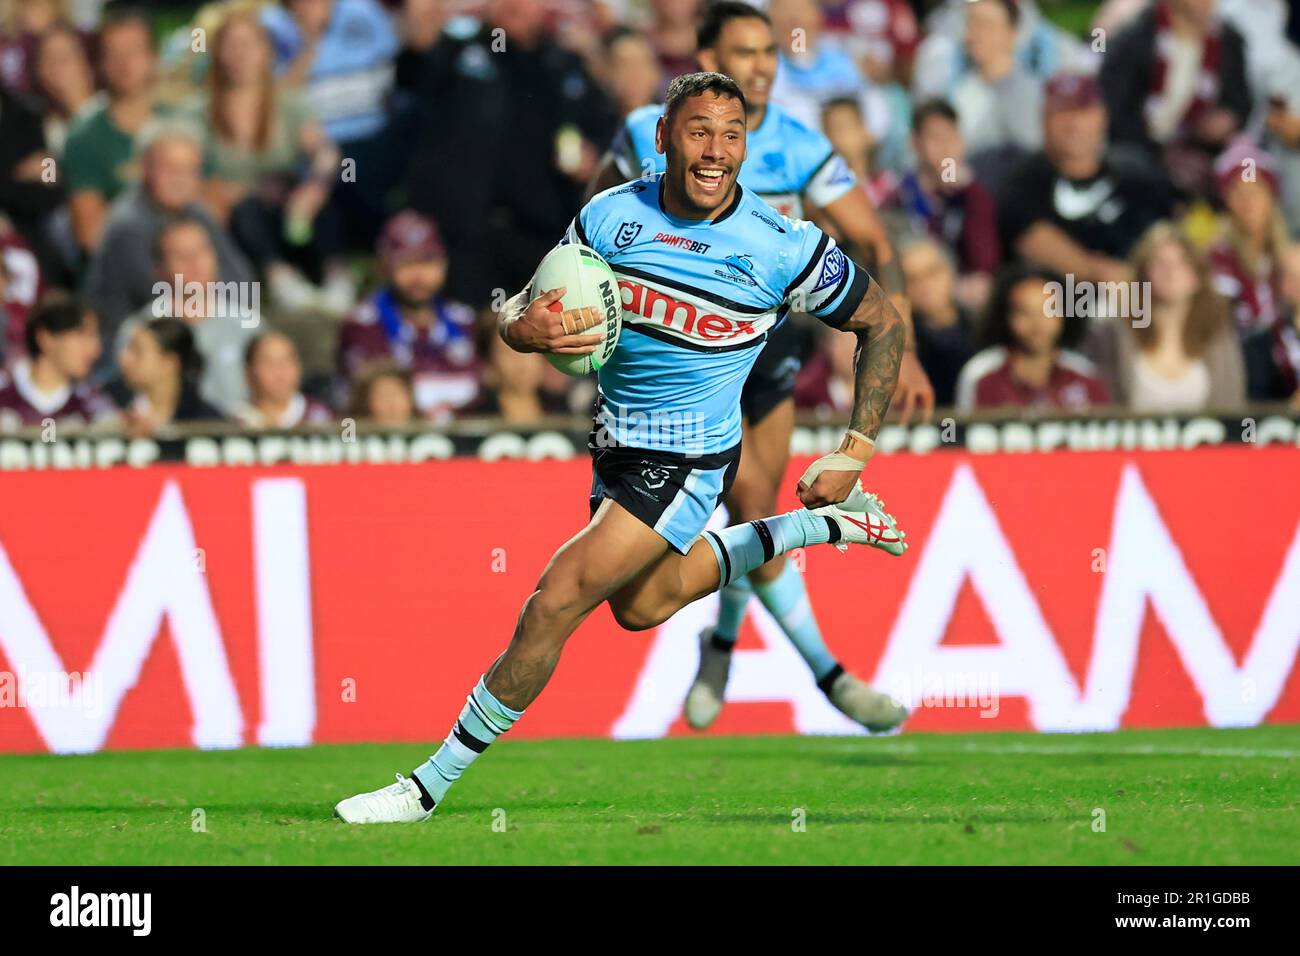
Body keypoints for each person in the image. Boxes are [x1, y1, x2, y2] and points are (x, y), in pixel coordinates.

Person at [334, 71, 909, 823]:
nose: (716, 152)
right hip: (612, 447)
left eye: (732, 135)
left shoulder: (780, 246)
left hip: (687, 459)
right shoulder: (610, 215)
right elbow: (527, 305)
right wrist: (520, 328)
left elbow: (884, 321)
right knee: (643, 606)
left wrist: (854, 447)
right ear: (663, 137)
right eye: (699, 131)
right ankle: (822, 528)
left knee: (556, 600)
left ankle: (424, 788)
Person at [588, 2, 926, 733]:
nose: (763, 66)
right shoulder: (651, 131)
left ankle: (739, 651)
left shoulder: (800, 144)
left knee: (750, 503)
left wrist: (907, 346)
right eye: (744, 53)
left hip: (763, 354)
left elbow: (873, 237)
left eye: (770, 53)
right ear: (704, 57)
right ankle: (799, 665)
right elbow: (589, 226)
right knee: (734, 517)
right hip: (667, 357)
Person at [185, 1, 348, 315]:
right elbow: (190, 170)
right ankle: (281, 280)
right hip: (236, 215)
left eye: (248, 45)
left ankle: (337, 278)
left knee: (326, 197)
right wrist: (219, 192)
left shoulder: (288, 102)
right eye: (231, 46)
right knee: (249, 209)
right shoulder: (199, 112)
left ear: (265, 51)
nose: (240, 56)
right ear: (217, 54)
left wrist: (315, 187)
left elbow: (327, 153)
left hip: (288, 208)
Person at [86, 118, 255, 378]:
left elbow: (242, 281)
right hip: (132, 356)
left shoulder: (198, 214)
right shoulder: (127, 226)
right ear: (144, 168)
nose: (181, 180)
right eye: (170, 169)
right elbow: (170, 293)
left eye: (189, 170)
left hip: (196, 336)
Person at [999, 73, 1174, 287]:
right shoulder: (1023, 187)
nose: (1074, 124)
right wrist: (1122, 279)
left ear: (1103, 117)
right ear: (1043, 120)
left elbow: (1171, 236)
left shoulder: (1137, 176)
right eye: (1062, 113)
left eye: (1083, 112)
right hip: (1065, 306)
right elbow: (1052, 252)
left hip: (1148, 296)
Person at [1085, 221, 1245, 412]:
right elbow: (1100, 406)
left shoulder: (1217, 334)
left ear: (1197, 277)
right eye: (1160, 263)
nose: (1171, 272)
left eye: (1182, 263)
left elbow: (1232, 407)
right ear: (1143, 274)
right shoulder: (1114, 333)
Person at [336, 210, 481, 419]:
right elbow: (362, 404)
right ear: (384, 268)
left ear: (444, 264)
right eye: (406, 264)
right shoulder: (364, 326)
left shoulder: (464, 321)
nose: (419, 276)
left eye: (427, 262)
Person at [1100, 0, 1250, 197]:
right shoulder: (1135, 37)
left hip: (1202, 154)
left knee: (1247, 171)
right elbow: (1112, 110)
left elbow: (1241, 101)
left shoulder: (1228, 41)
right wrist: (1160, 151)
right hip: (1139, 152)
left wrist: (1228, 118)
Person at [116, 214, 259, 414]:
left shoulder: (249, 325)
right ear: (159, 268)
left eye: (201, 251)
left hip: (235, 437)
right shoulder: (138, 331)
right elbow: (125, 397)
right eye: (180, 255)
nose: (194, 262)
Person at [63, 8, 168, 257]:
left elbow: (214, 213)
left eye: (135, 52)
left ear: (152, 57)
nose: (126, 65)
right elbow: (91, 235)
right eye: (114, 54)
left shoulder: (180, 124)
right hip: (122, 265)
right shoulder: (84, 137)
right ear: (100, 63)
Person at [891, 98, 1002, 311]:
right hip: (918, 296)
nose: (945, 147)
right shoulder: (899, 197)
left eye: (951, 136)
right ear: (915, 144)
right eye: (935, 138)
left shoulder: (974, 195)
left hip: (968, 298)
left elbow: (985, 262)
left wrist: (969, 193)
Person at [956, 263, 1110, 412]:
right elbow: (963, 433)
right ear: (1006, 316)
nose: (1037, 324)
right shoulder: (981, 375)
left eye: (1049, 310)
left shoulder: (1085, 375)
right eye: (1025, 312)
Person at [1206, 139, 1289, 334]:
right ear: (1227, 201)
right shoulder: (1219, 257)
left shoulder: (1288, 256)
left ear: (1271, 197)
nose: (1248, 202)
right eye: (1238, 193)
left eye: (1255, 191)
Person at [0, 295, 116, 430]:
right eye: (84, 336)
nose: (96, 350)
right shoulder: (3, 394)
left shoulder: (96, 408)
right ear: (46, 338)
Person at [113, 317, 224, 435]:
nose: (124, 359)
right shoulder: (110, 404)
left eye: (137, 351)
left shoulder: (207, 422)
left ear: (170, 362)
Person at [899, 236, 975, 407]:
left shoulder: (982, 329)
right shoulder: (898, 345)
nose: (924, 286)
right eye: (912, 279)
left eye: (932, 273)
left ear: (951, 272)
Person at [234, 331, 334, 428]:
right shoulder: (235, 423)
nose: (280, 371)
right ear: (248, 373)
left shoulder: (321, 418)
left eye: (287, 360)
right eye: (268, 362)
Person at [1244, 243, 1300, 404]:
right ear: (1279, 283)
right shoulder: (1260, 345)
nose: (1298, 283)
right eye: (1291, 276)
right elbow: (1254, 409)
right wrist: (1290, 409)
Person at [345, 358, 415, 427]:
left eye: (396, 395)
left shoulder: (425, 433)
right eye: (383, 396)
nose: (391, 404)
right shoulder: (349, 436)